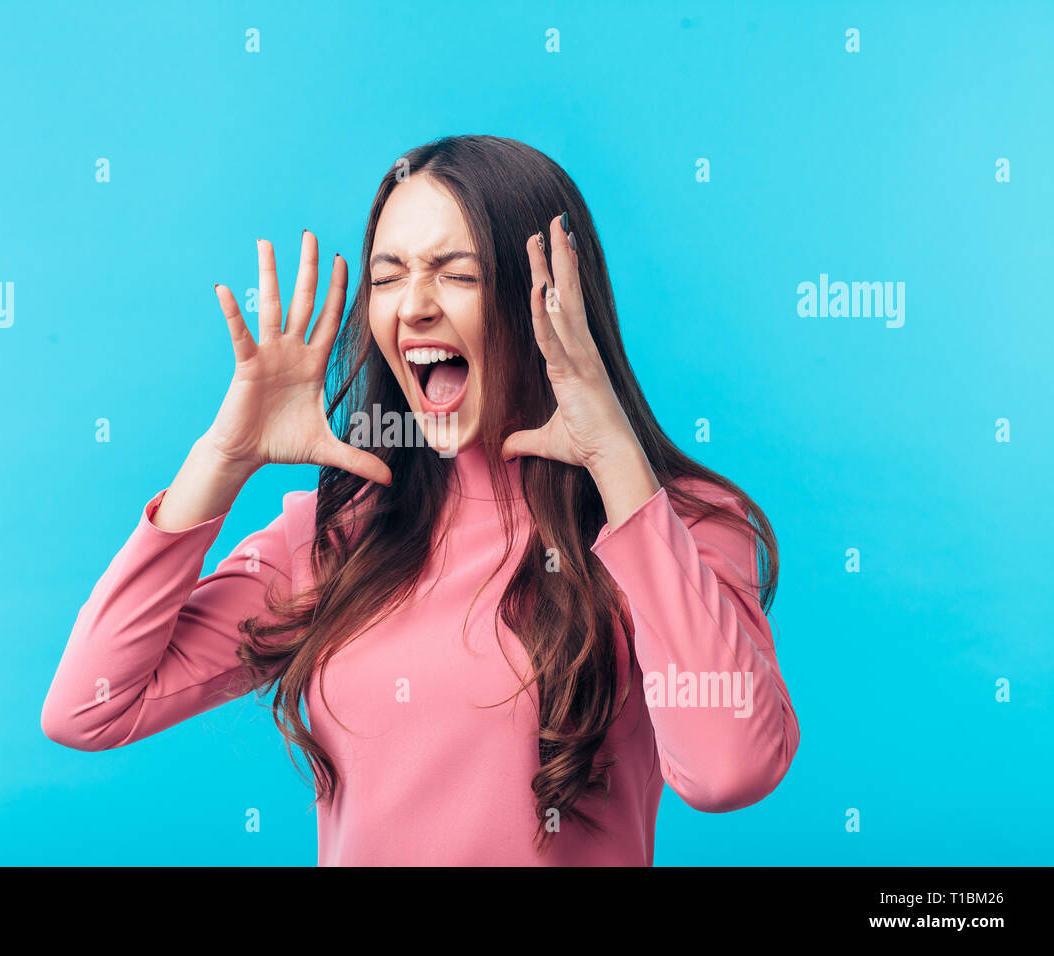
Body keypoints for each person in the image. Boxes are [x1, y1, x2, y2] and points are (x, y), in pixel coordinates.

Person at [41, 134, 800, 865]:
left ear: (552, 301)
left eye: (457, 274)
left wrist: (620, 473)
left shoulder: (680, 524)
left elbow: (730, 770)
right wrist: (221, 460)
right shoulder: (339, 533)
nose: (415, 307)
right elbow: (87, 708)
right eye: (390, 274)